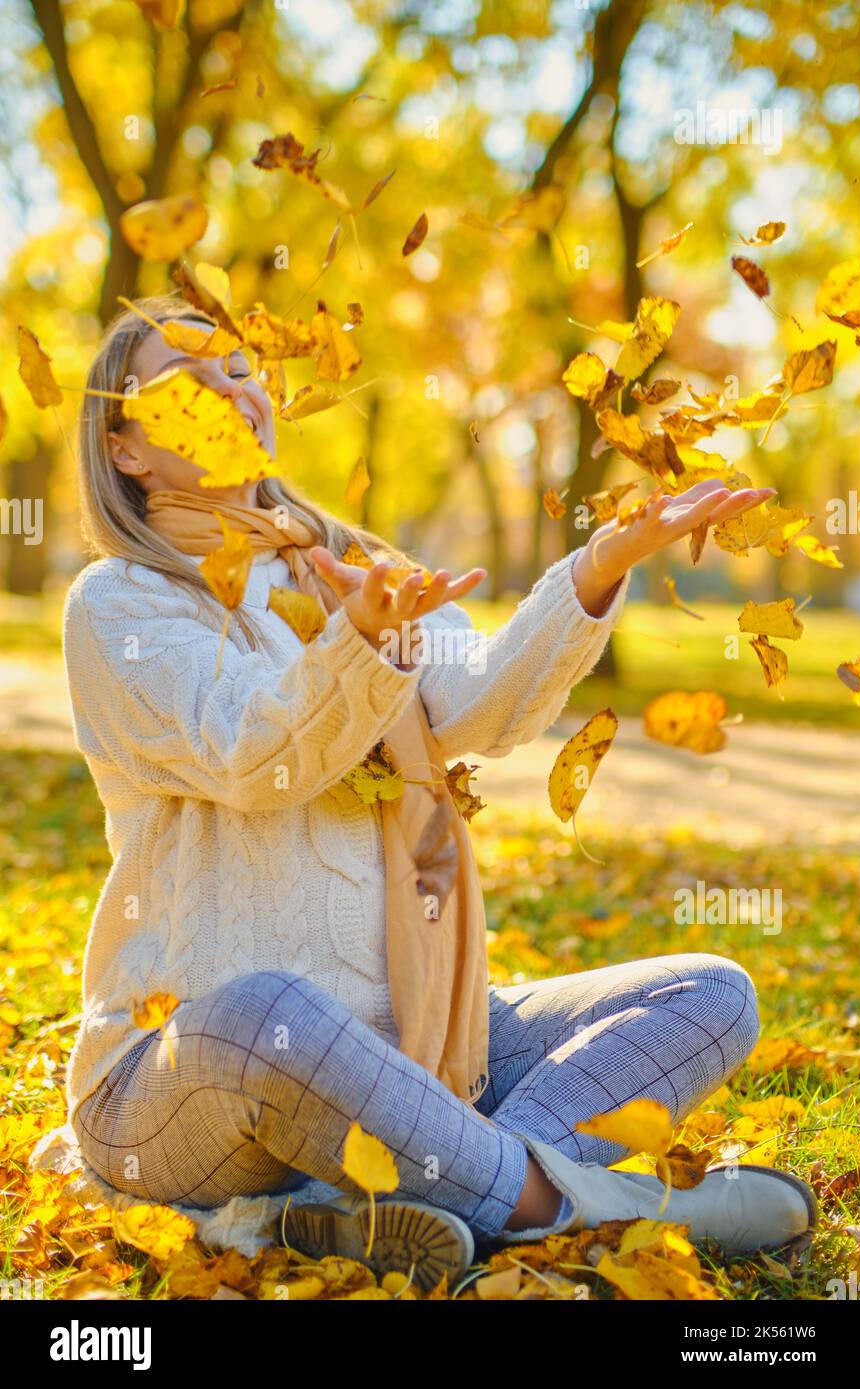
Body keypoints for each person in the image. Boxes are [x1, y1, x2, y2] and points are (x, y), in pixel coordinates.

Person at [64, 296, 815, 1290]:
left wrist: (598, 566)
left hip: (414, 1053)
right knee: (265, 1010)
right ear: (125, 451)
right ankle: (577, 1207)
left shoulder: (346, 570)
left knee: (710, 994)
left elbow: (481, 711)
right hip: (189, 1081)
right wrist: (363, 644)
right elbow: (255, 753)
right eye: (184, 383)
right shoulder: (119, 605)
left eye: (242, 369)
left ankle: (376, 1203)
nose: (230, 392)